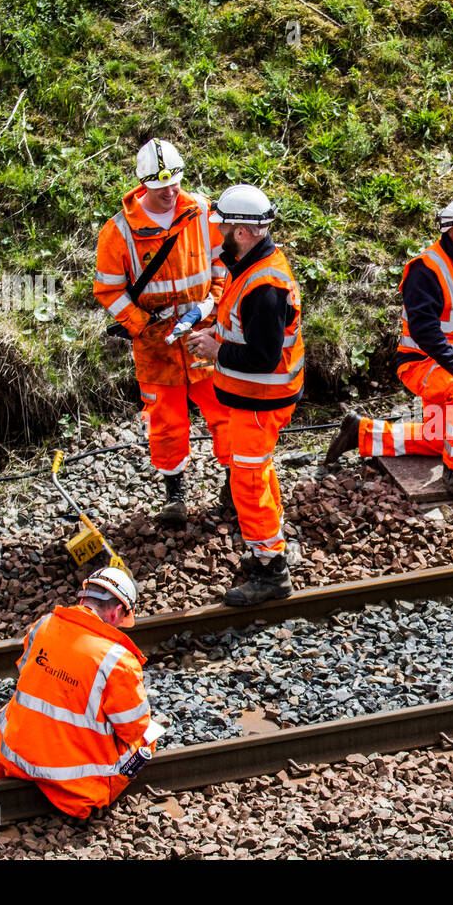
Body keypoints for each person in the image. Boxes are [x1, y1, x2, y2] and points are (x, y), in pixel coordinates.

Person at [323, 196, 453, 497]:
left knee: (440, 439)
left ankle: (362, 432)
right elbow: (424, 330)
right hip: (421, 364)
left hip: (452, 368)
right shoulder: (426, 270)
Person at [93, 139, 232, 527]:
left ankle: (234, 484)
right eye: (161, 187)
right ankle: (176, 494)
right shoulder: (119, 231)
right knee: (165, 421)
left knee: (224, 409)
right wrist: (142, 327)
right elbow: (108, 290)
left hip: (203, 332)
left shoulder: (202, 213)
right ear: (143, 185)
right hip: (155, 343)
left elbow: (224, 265)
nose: (171, 192)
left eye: (175, 183)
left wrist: (213, 302)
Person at [184, 184, 303, 605]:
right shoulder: (249, 266)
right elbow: (239, 327)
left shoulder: (264, 286)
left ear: (242, 231)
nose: (215, 231)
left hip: (260, 400)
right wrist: (212, 334)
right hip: (251, 398)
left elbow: (264, 357)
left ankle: (271, 571)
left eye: (221, 225)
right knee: (254, 472)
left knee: (249, 482)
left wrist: (217, 350)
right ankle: (265, 547)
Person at [0, 567, 158, 819]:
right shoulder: (117, 660)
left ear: (83, 599)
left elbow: (28, 672)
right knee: (147, 738)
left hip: (13, 757)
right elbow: (133, 728)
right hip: (71, 785)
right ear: (117, 611)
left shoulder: (43, 625)